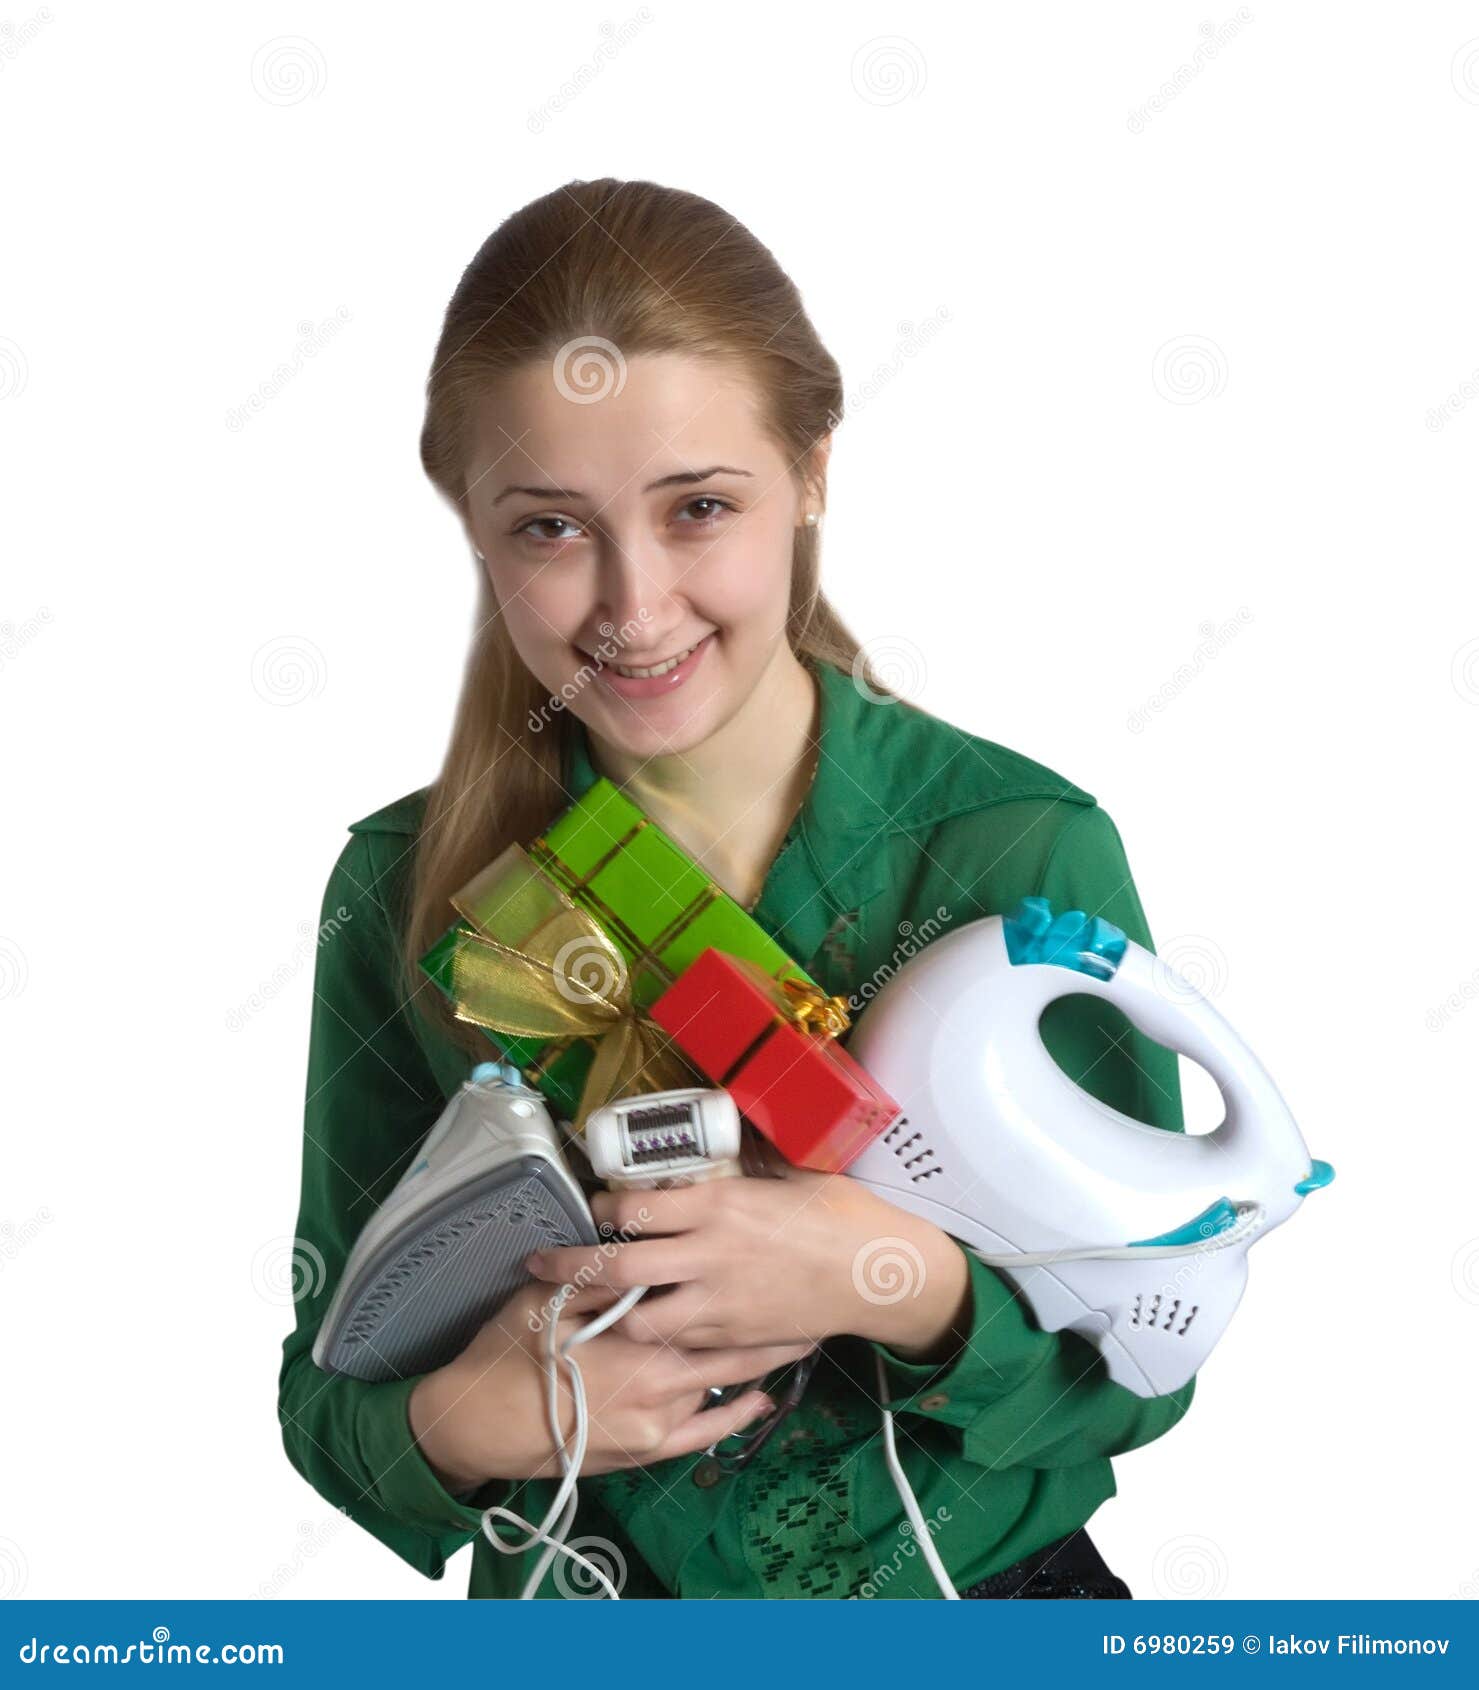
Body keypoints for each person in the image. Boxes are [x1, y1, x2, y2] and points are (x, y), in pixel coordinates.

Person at [277, 177, 1196, 1600]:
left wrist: (901, 1282)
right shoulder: (408, 889)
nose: (634, 609)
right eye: (548, 527)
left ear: (813, 469)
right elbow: (329, 1393)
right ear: (471, 519)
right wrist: (469, 1419)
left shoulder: (1014, 846)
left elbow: (1149, 1348)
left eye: (699, 506)